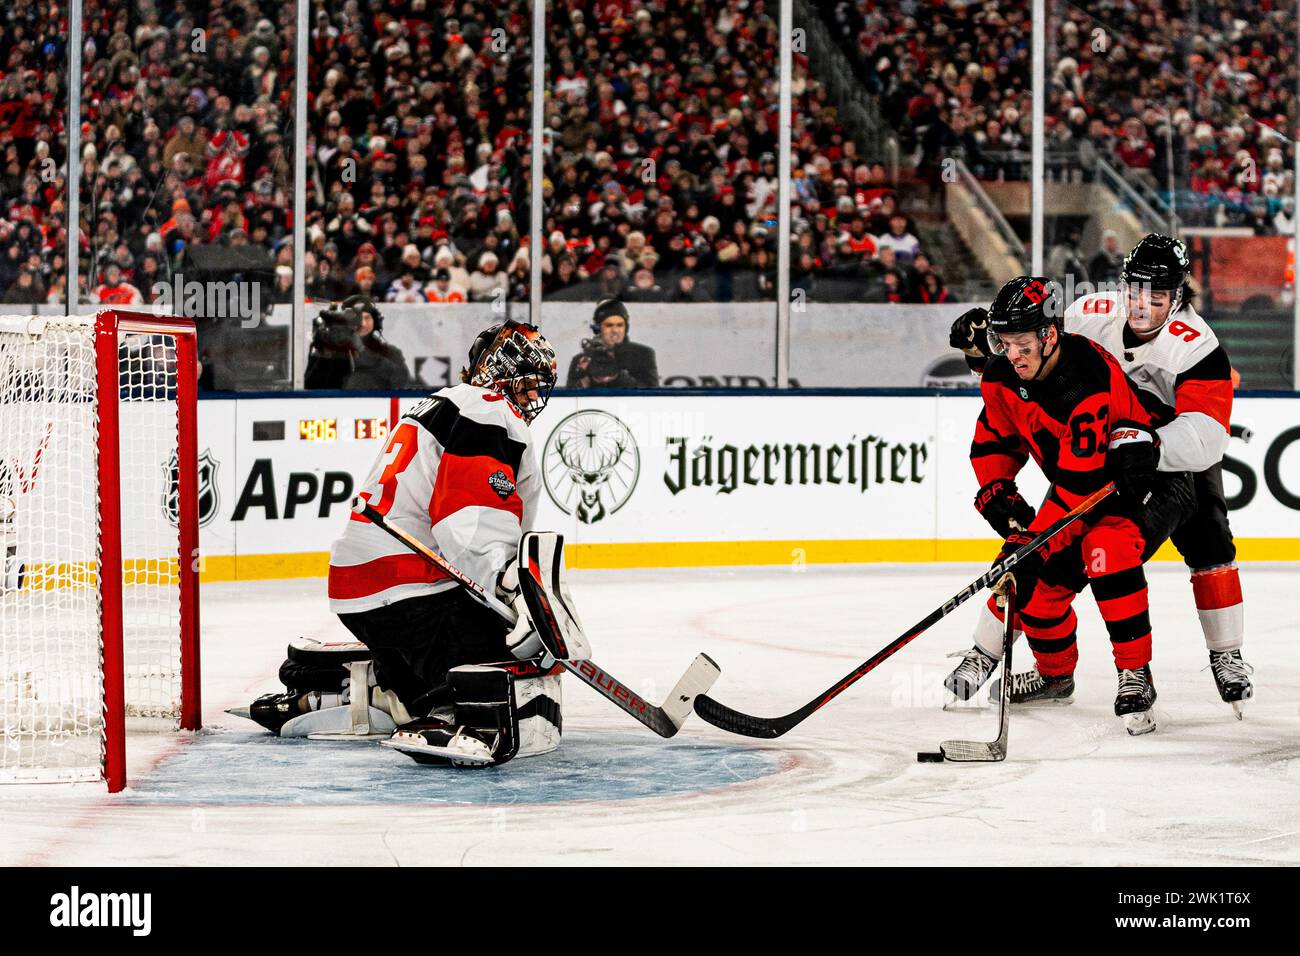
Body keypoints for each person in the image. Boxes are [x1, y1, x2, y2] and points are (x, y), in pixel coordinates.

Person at [949, 234, 1252, 713]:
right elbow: (1041, 340)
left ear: (1177, 296)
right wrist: (992, 340)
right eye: (1135, 289)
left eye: (1156, 295)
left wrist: (1150, 446)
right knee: (1046, 552)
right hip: (1096, 454)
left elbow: (1209, 435)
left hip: (1169, 464)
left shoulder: (1196, 345)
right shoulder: (1094, 312)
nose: (1141, 304)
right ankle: (998, 654)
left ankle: (1226, 654)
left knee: (1210, 539)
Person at [250, 322, 563, 767]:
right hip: (412, 588)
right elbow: (469, 519)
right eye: (527, 384)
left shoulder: (446, 405)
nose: (532, 398)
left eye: (538, 388)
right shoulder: (489, 411)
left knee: (483, 656)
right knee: (507, 670)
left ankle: (356, 691)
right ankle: (448, 711)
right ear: (501, 374)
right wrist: (507, 586)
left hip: (364, 591)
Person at [944, 277, 1194, 735]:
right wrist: (1003, 500)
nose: (1012, 354)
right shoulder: (1004, 372)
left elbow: (1079, 490)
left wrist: (1031, 545)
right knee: (1038, 594)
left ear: (1048, 335)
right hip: (1078, 493)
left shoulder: (1084, 381)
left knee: (1105, 550)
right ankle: (1054, 677)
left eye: (1022, 343)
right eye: (1004, 343)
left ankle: (1135, 675)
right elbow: (996, 441)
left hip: (1145, 484)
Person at [304, 295, 411, 390]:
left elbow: (400, 380)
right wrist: (325, 352)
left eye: (367, 318)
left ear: (376, 321)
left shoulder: (387, 351)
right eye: (357, 318)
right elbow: (310, 386)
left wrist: (362, 350)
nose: (363, 324)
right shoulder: (334, 352)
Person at [565, 298, 660, 388]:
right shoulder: (582, 359)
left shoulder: (643, 355)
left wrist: (619, 377)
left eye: (620, 325)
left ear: (626, 328)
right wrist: (587, 378)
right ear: (598, 329)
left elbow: (653, 395)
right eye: (609, 325)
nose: (615, 330)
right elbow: (570, 398)